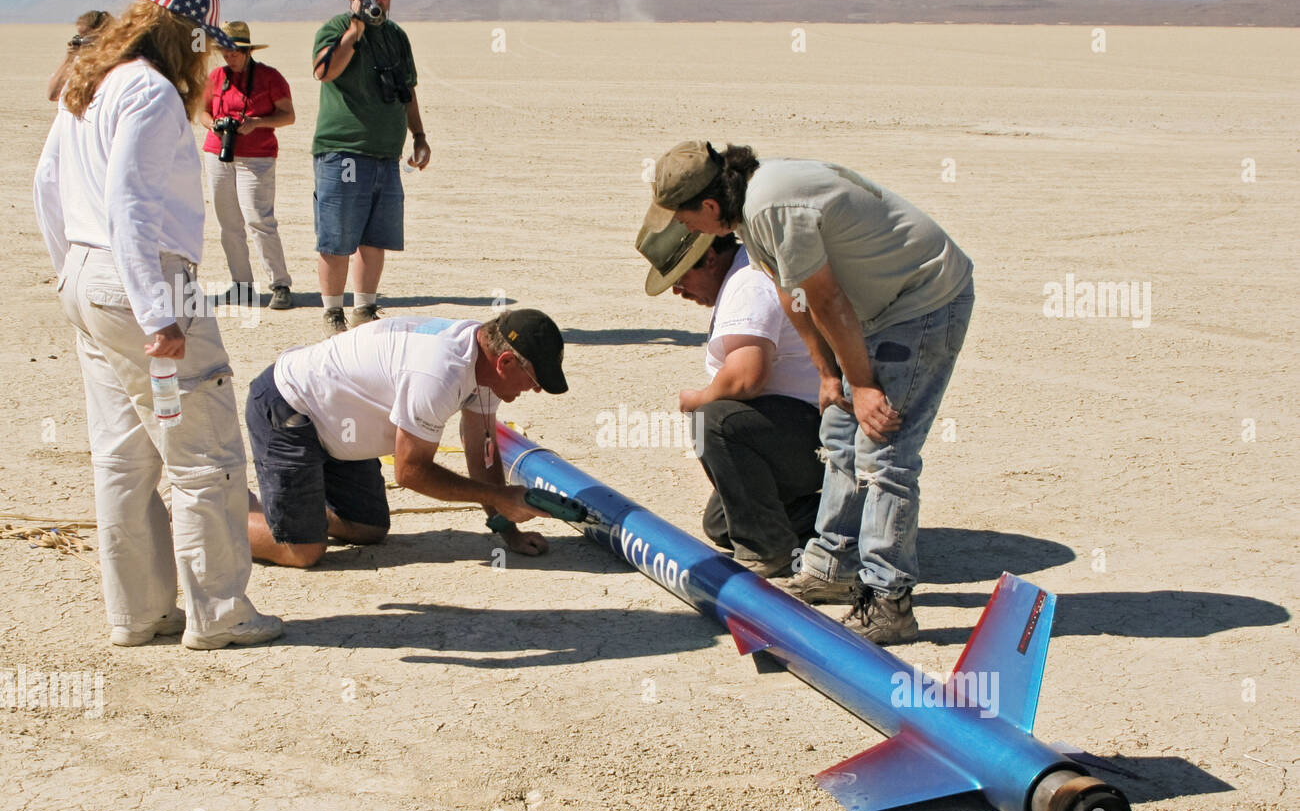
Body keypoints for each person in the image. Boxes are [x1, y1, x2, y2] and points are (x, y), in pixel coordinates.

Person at [33, 0, 283, 650]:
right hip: (145, 283)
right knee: (205, 452)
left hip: (90, 278)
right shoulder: (148, 91)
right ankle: (221, 612)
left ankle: (139, 613)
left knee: (123, 456)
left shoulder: (90, 80)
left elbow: (47, 183)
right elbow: (133, 205)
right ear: (186, 34)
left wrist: (71, 274)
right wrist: (154, 311)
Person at [643, 141, 975, 644]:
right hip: (878, 307)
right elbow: (790, 293)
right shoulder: (750, 211)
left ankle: (890, 601)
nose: (688, 232)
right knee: (840, 428)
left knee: (883, 449)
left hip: (922, 299)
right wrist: (828, 373)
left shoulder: (771, 206)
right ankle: (833, 566)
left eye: (687, 221)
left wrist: (862, 384)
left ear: (710, 206)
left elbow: (826, 297)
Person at [246, 309, 567, 569]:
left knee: (368, 528)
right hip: (289, 409)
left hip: (337, 429)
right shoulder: (439, 373)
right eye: (535, 379)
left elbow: (480, 452)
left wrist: (507, 529)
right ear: (506, 362)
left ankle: (289, 511)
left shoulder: (486, 362)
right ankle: (211, 518)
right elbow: (411, 472)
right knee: (303, 551)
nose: (536, 389)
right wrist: (501, 497)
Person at [635, 224, 822, 577]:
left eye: (680, 276)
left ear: (708, 258)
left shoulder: (748, 284)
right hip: (800, 427)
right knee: (722, 524)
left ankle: (768, 552)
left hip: (814, 433)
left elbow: (746, 377)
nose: (676, 290)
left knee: (713, 420)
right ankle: (847, 514)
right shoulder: (744, 273)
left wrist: (696, 400)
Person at [311, 0, 430, 337]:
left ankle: (365, 308)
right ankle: (333, 313)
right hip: (343, 150)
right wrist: (353, 33)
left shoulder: (396, 36)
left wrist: (419, 135)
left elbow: (407, 88)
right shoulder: (336, 29)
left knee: (375, 235)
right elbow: (323, 71)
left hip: (385, 152)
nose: (380, 1)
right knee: (337, 235)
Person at [198, 21, 295, 309]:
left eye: (235, 52)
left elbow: (288, 115)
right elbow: (201, 111)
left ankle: (280, 284)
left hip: (257, 157)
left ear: (248, 50)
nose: (230, 57)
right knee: (229, 224)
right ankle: (241, 285)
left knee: (259, 220)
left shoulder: (269, 77)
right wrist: (214, 125)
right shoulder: (216, 76)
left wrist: (256, 123)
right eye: (226, 52)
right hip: (218, 154)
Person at [46, 9, 113, 102]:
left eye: (87, 36)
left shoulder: (113, 63)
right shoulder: (76, 62)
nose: (82, 41)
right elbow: (52, 95)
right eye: (79, 36)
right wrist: (68, 59)